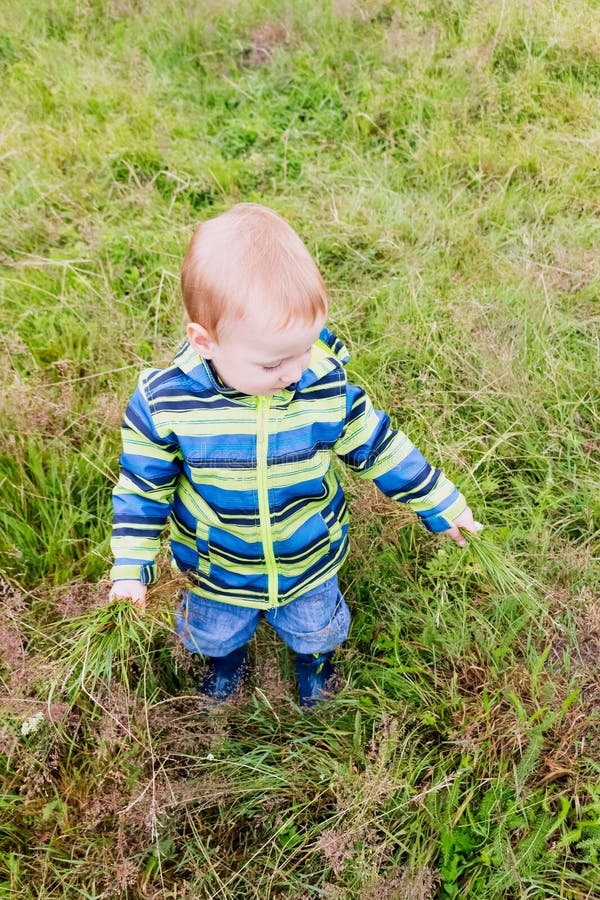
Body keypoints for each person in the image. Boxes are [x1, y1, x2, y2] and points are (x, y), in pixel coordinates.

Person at [109, 203, 480, 708]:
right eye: (272, 362)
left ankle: (316, 664)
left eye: (303, 350)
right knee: (212, 632)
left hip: (308, 555)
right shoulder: (167, 403)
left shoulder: (322, 386)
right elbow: (142, 488)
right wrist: (131, 567)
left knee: (316, 628)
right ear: (206, 341)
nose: (293, 371)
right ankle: (225, 664)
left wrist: (440, 501)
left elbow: (381, 446)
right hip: (216, 566)